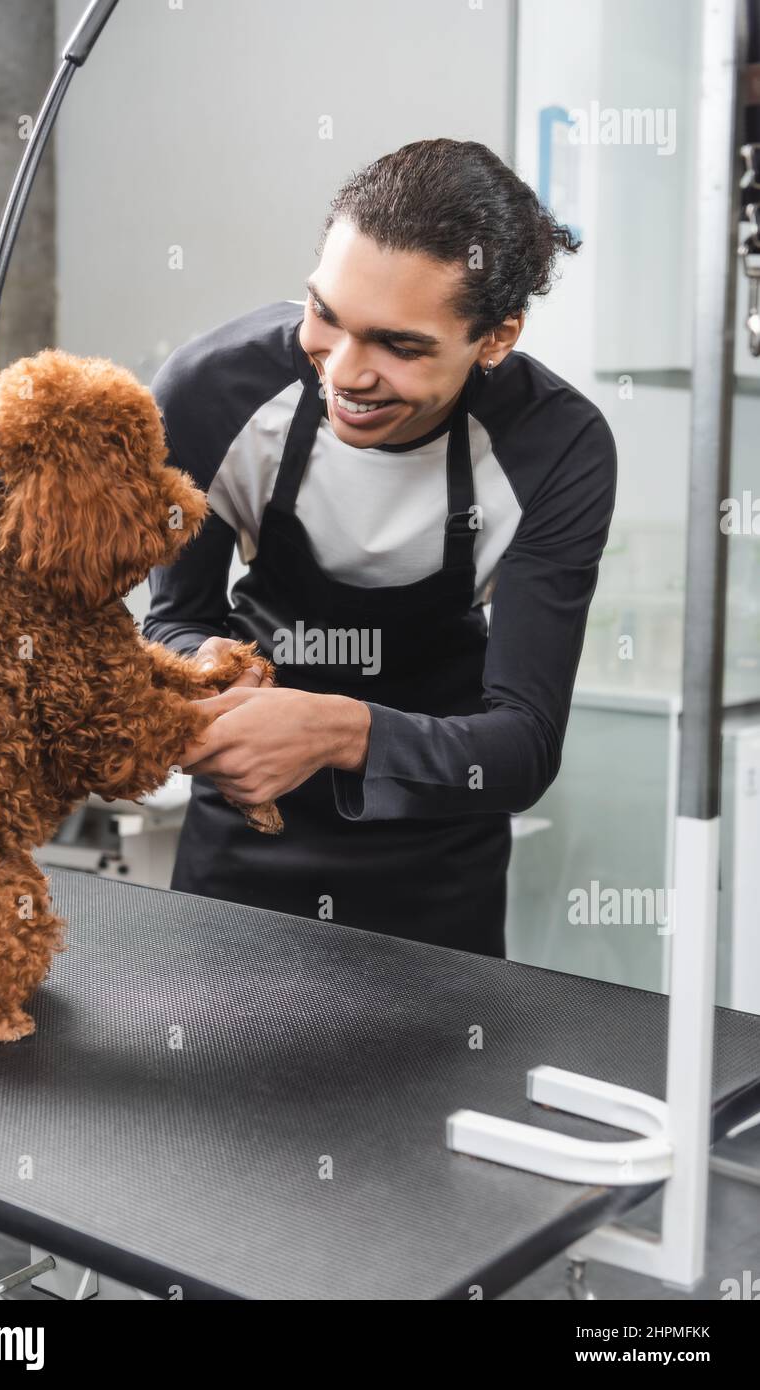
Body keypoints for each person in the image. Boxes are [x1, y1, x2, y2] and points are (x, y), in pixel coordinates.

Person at [144, 137, 617, 957]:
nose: (345, 373)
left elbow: (522, 746)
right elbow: (171, 621)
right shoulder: (211, 392)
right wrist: (210, 668)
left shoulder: (555, 446)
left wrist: (336, 730)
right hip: (240, 851)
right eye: (325, 315)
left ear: (495, 338)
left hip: (436, 859)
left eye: (399, 345)